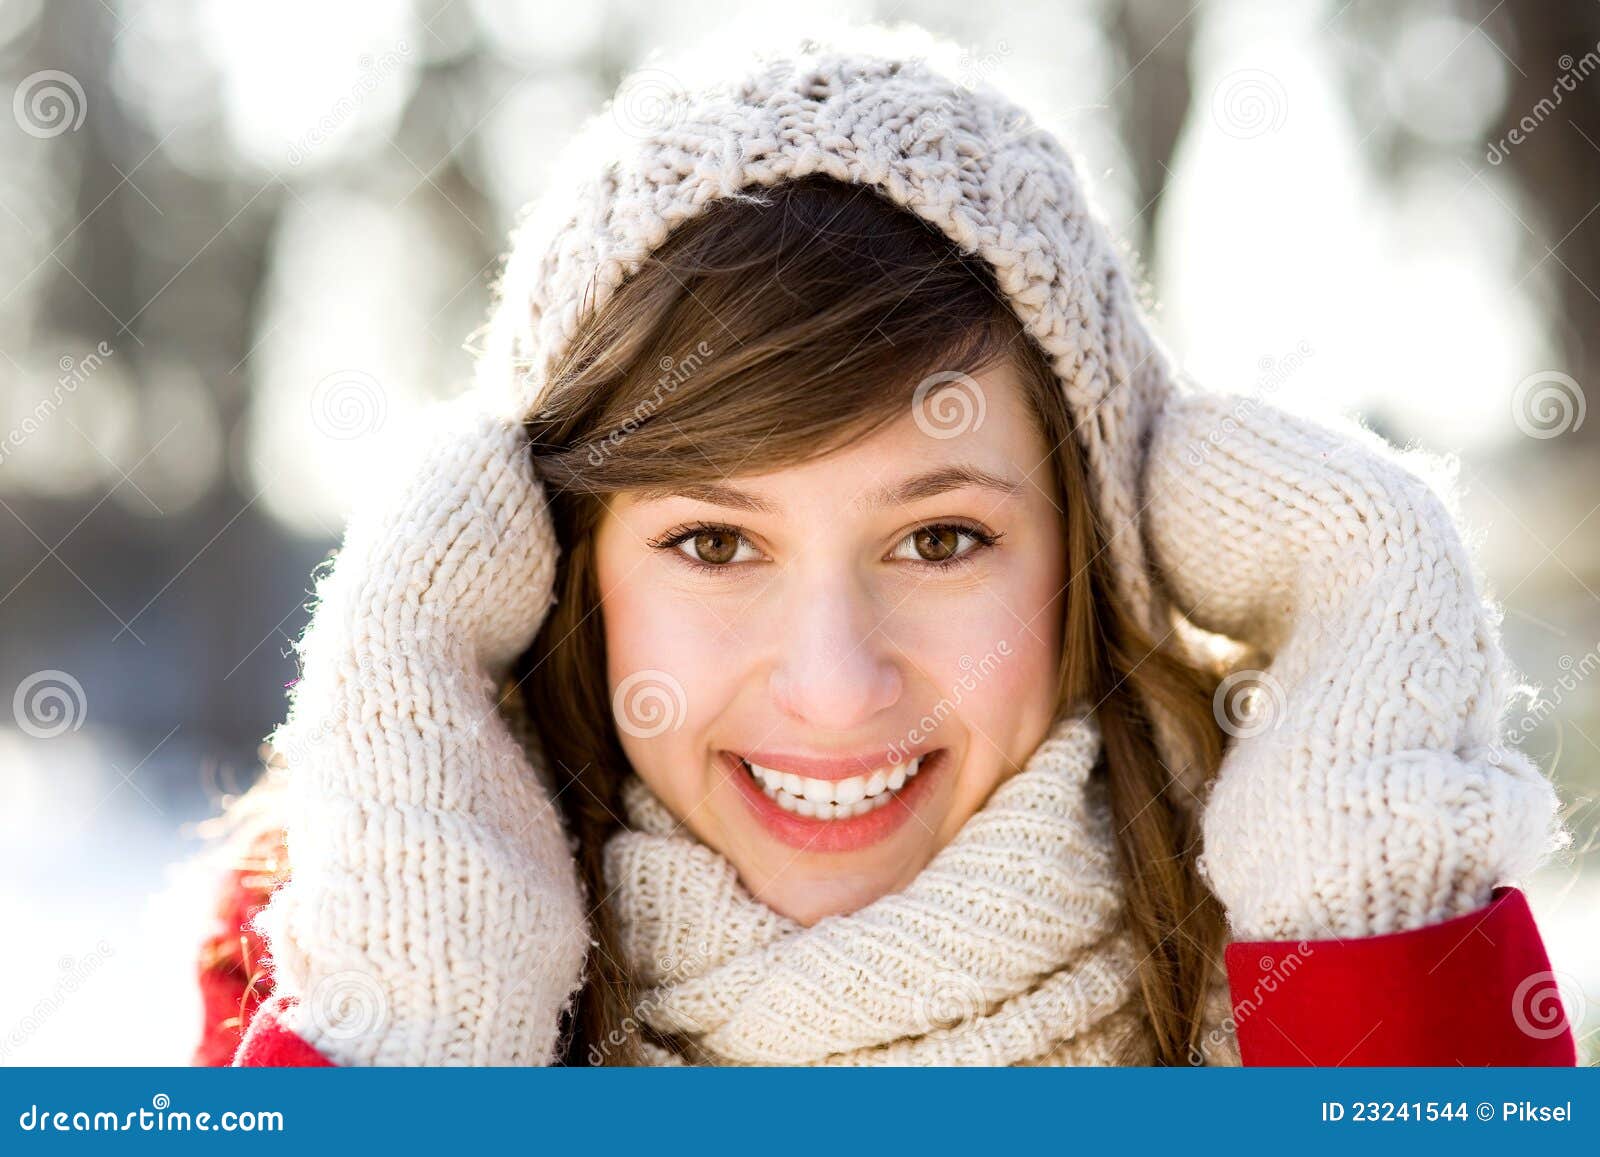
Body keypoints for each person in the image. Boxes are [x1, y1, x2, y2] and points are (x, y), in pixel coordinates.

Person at [192, 25, 1576, 1068]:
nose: (835, 684)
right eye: (716, 544)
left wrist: (1372, 898)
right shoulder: (330, 956)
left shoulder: (1312, 937)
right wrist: (424, 1023)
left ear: (1089, 550)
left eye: (940, 535)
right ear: (555, 568)